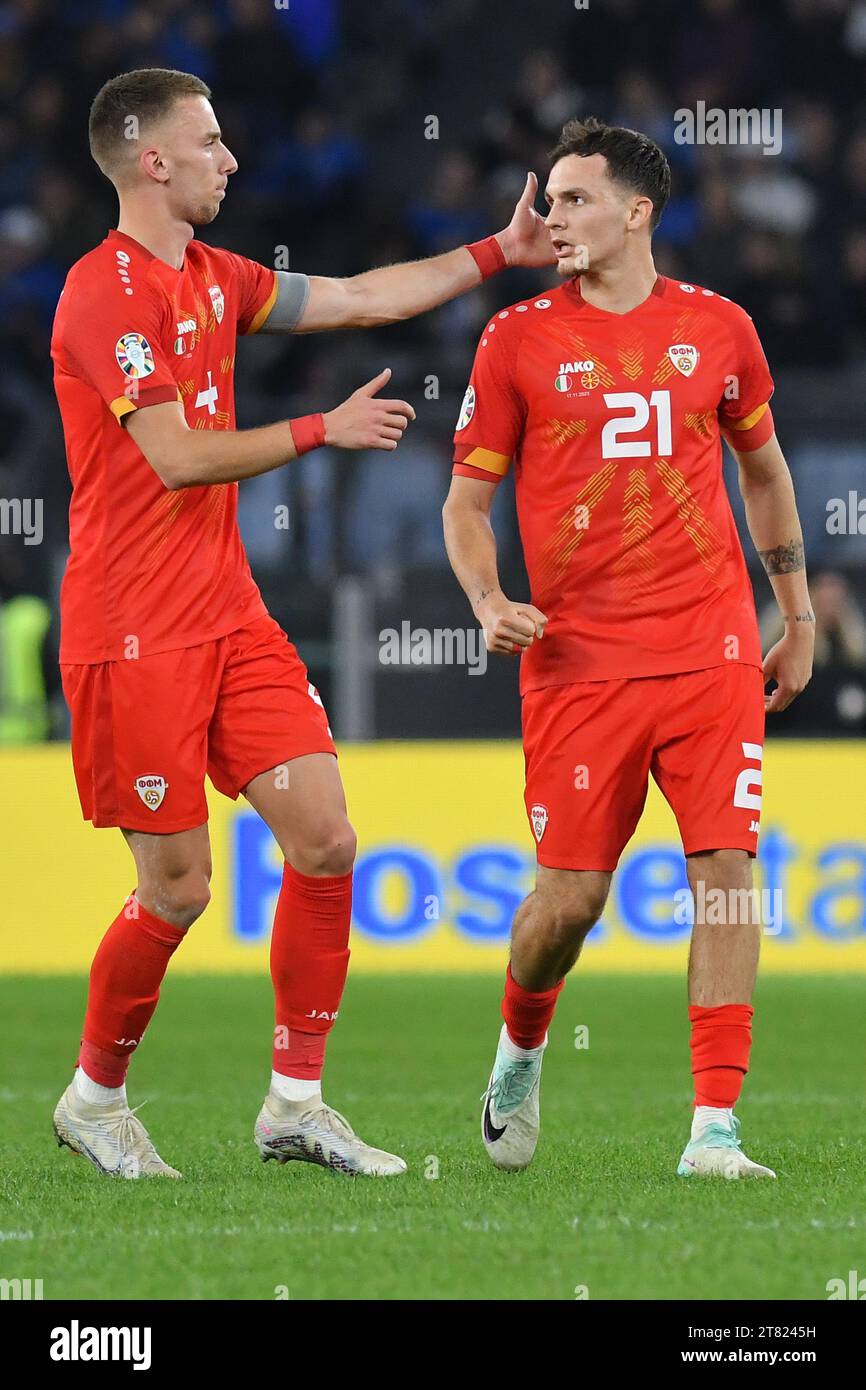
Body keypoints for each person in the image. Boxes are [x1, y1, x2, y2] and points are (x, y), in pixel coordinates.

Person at [50, 67, 555, 1180]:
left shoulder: (219, 277)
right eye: (211, 141)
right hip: (131, 631)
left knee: (326, 841)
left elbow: (362, 297)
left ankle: (294, 1101)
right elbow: (176, 458)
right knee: (178, 888)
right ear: (153, 159)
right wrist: (318, 429)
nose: (231, 159)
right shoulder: (102, 294)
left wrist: (492, 254)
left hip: (229, 614)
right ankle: (94, 1096)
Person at [442, 117, 815, 1179]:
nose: (549, 218)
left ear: (635, 211)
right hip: (576, 662)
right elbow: (465, 504)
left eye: (570, 199)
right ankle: (519, 1046)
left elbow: (766, 472)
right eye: (549, 202)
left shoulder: (721, 328)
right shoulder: (515, 338)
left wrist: (790, 615)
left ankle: (713, 1127)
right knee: (566, 904)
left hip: (707, 649)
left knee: (728, 876)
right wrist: (483, 598)